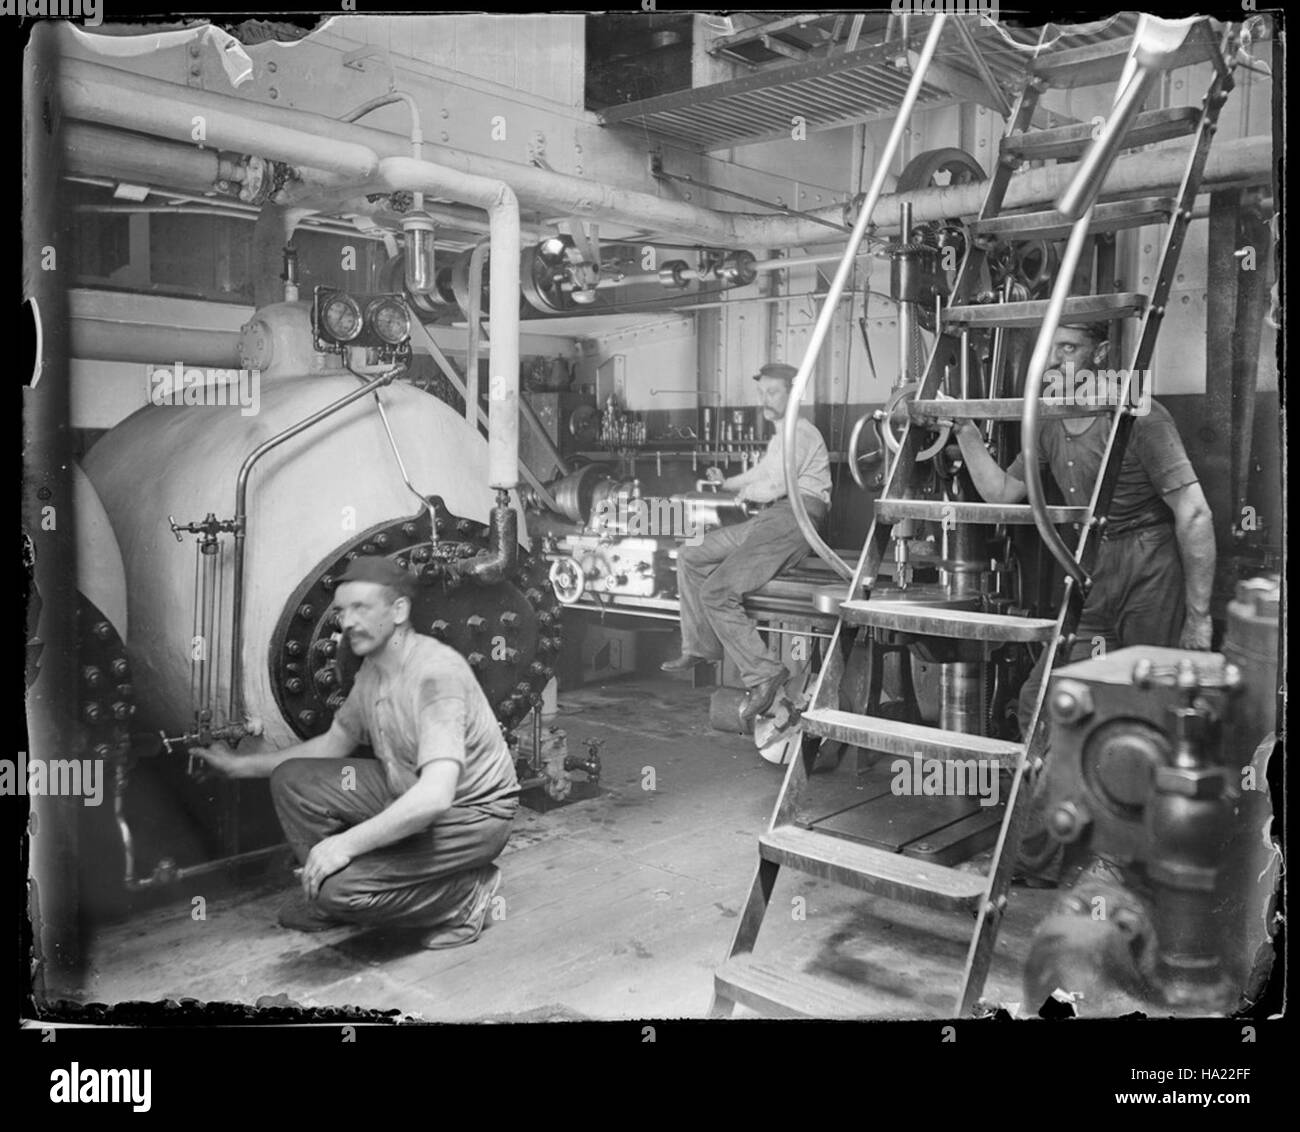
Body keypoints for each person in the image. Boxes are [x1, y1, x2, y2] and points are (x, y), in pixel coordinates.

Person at [193, 555, 519, 948]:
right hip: (407, 789)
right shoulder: (374, 668)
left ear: (399, 610)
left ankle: (466, 896)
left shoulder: (435, 676)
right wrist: (239, 767)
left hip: (472, 816)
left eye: (361, 608)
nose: (346, 622)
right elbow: (334, 744)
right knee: (293, 779)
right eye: (343, 611)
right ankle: (334, 890)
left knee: (341, 890)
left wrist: (344, 845)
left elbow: (434, 797)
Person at [941, 321, 1216, 738]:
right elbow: (1000, 493)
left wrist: (1198, 619)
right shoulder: (1050, 421)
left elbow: (1194, 513)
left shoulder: (1140, 414)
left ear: (1101, 354)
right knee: (1042, 698)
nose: (1054, 360)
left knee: (1151, 701)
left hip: (1151, 567)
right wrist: (965, 430)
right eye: (1049, 349)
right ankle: (1049, 801)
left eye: (1068, 348)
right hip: (1093, 566)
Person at [661, 362, 833, 728]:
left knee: (717, 592)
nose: (765, 399)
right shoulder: (780, 437)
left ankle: (764, 673)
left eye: (773, 392)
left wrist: (745, 494)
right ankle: (700, 647)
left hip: (794, 519)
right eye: (762, 392)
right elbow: (761, 476)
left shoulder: (799, 433)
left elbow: (775, 486)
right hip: (770, 519)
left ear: (794, 394)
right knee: (691, 553)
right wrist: (725, 484)